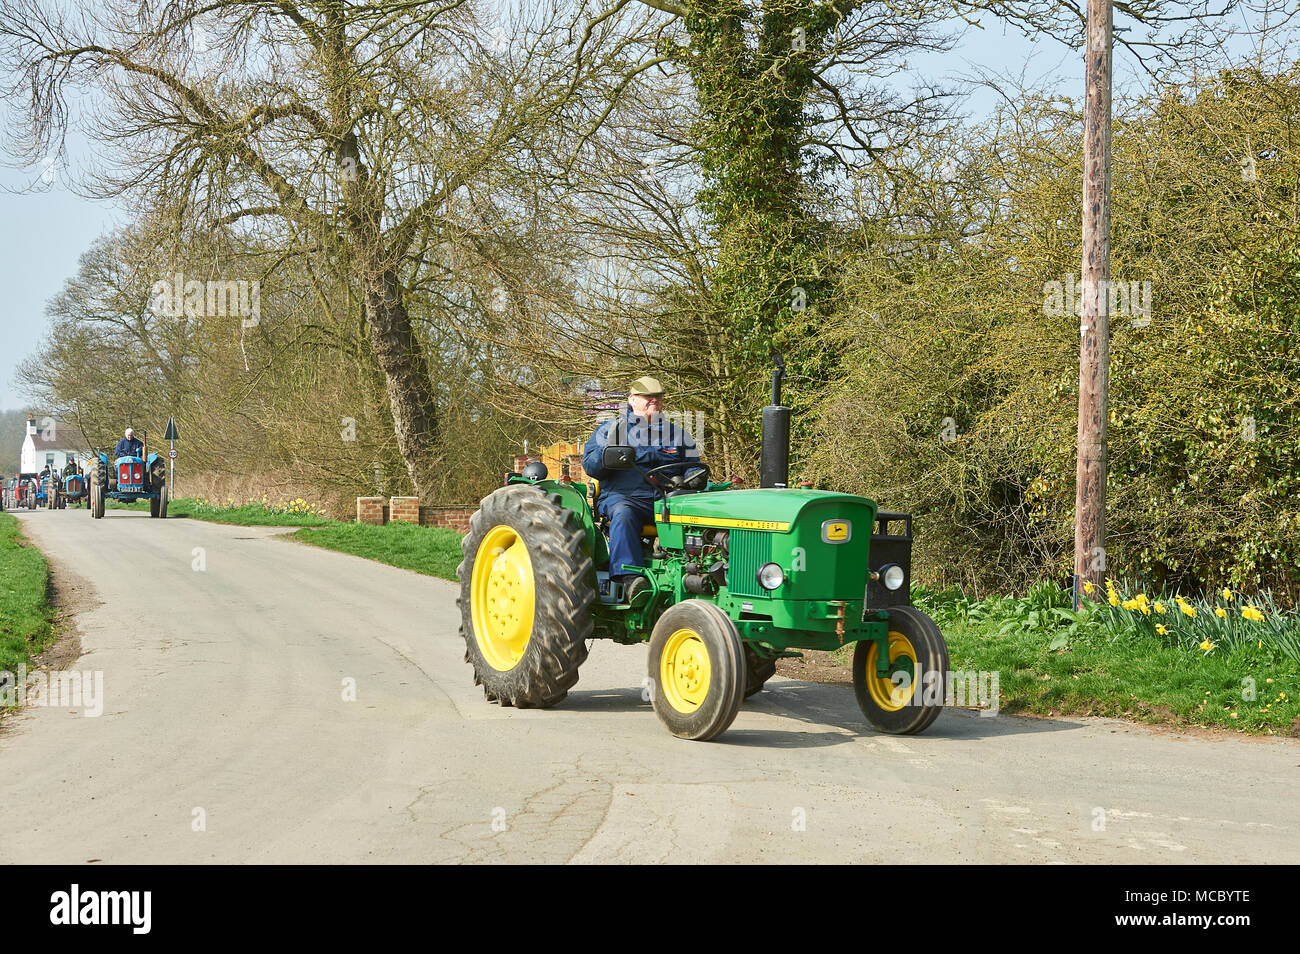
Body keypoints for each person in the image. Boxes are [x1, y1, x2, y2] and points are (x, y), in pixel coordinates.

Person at [583, 376, 699, 599]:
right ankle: (630, 579)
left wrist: (693, 476)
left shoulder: (677, 435)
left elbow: (693, 466)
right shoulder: (609, 430)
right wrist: (609, 449)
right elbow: (590, 466)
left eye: (658, 397)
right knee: (623, 513)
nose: (654, 400)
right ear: (632, 400)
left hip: (667, 499)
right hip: (625, 497)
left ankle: (696, 575)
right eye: (648, 397)